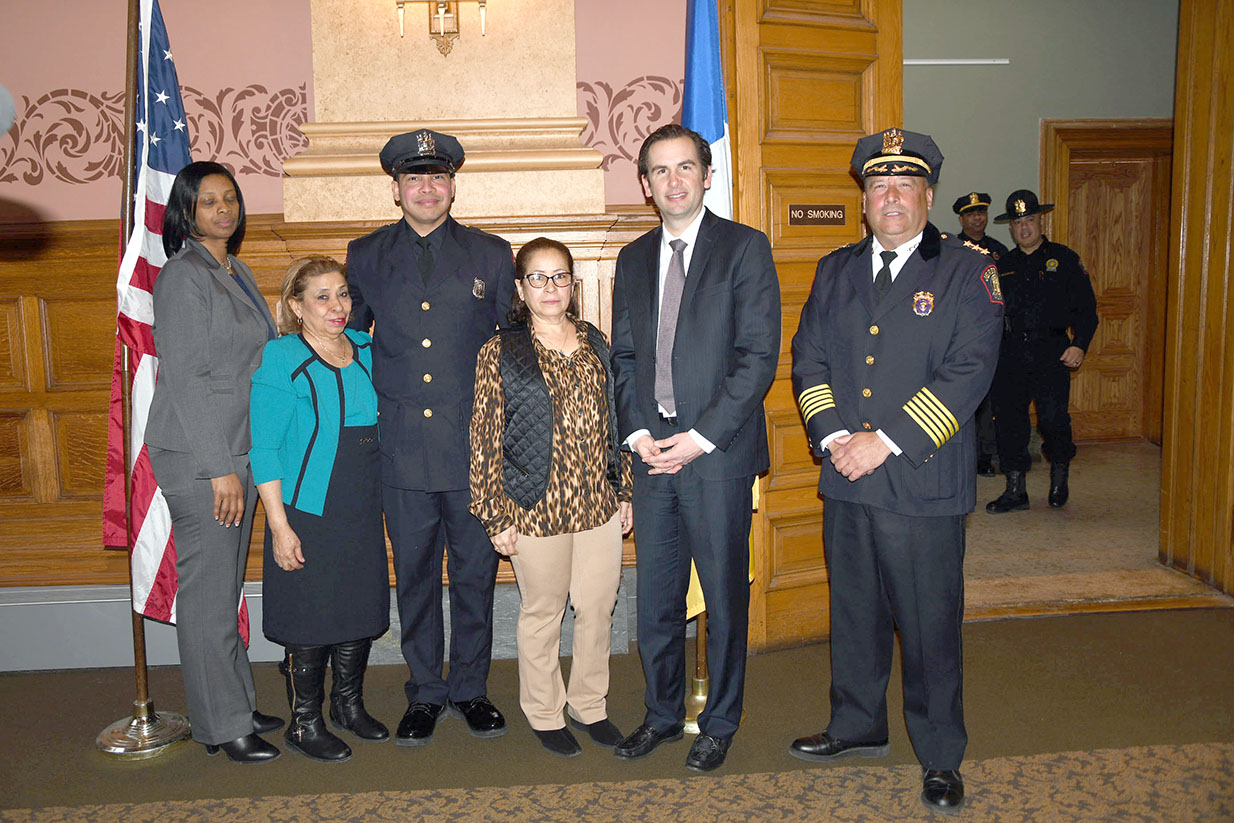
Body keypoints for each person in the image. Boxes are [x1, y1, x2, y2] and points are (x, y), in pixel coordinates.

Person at [789, 128, 1004, 813]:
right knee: (854, 611)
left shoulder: (968, 271)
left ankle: (942, 754)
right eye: (878, 186)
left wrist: (882, 440)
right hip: (845, 477)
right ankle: (857, 722)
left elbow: (969, 371)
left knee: (929, 623)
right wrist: (831, 438)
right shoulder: (834, 270)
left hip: (919, 478)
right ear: (864, 201)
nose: (890, 198)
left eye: (904, 186)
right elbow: (809, 359)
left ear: (928, 196)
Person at [610, 123, 781, 773]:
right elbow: (624, 356)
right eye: (660, 170)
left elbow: (757, 356)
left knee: (724, 597)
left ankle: (720, 721)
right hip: (652, 456)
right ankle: (660, 712)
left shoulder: (744, 248)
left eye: (686, 167)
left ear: (707, 176)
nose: (674, 180)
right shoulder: (631, 259)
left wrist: (701, 437)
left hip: (717, 454)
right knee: (655, 597)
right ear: (646, 184)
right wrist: (639, 435)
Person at [346, 129, 516, 746]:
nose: (427, 188)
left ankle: (470, 688)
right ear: (396, 189)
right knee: (415, 576)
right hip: (400, 452)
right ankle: (424, 693)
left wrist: (513, 441)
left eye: (439, 178)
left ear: (453, 186)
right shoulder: (364, 256)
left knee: (474, 574)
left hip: (473, 451)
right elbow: (348, 346)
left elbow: (514, 352)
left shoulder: (491, 255)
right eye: (415, 178)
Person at [469, 237, 634, 758]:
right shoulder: (501, 350)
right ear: (520, 287)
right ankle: (544, 711)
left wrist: (624, 488)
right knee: (543, 611)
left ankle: (590, 704)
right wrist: (494, 513)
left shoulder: (595, 342)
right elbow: (483, 437)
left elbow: (616, 421)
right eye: (537, 277)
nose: (550, 287)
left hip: (597, 504)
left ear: (573, 284)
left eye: (559, 276)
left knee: (597, 608)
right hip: (532, 505)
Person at [144, 161, 282, 764]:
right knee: (205, 593)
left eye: (230, 199)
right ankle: (221, 726)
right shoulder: (181, 276)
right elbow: (188, 377)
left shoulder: (235, 268)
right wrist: (219, 465)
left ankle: (236, 702)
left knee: (223, 586)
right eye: (208, 202)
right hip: (204, 456)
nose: (223, 209)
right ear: (186, 212)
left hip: (237, 448)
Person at [250, 256, 391, 763]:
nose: (338, 306)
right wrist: (280, 526)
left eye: (343, 295)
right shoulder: (282, 357)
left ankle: (347, 707)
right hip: (307, 506)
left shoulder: (369, 349)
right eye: (323, 297)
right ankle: (303, 723)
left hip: (363, 500)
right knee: (310, 613)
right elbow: (263, 449)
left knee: (357, 603)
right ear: (296, 304)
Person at [986, 189, 1098, 513]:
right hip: (1010, 354)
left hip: (1052, 352)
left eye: (1030, 220)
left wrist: (1080, 345)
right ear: (1010, 228)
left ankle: (1059, 476)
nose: (1024, 228)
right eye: (1018, 223)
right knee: (1009, 421)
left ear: (1040, 220)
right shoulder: (1002, 266)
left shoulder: (1064, 260)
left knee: (1052, 419)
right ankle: (1015, 489)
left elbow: (1087, 311)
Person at [952, 192, 1008, 477]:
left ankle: (985, 456)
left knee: (988, 400)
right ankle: (963, 455)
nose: (978, 219)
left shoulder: (999, 252)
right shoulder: (951, 251)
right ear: (961, 219)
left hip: (991, 337)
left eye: (981, 213)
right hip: (959, 337)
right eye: (971, 214)